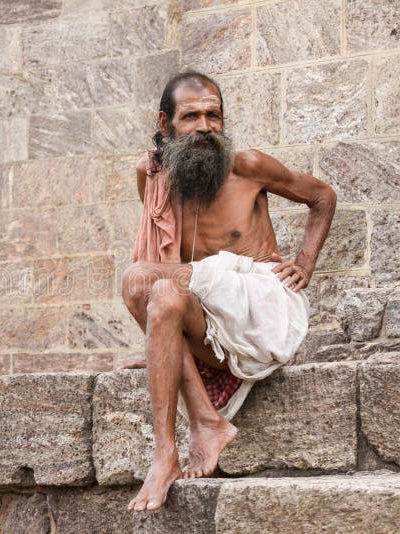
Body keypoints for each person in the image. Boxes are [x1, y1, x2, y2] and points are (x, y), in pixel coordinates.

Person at [121, 71, 337, 512]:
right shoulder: (153, 176)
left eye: (213, 115)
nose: (205, 127)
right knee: (160, 295)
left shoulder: (248, 166)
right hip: (207, 314)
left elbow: (323, 197)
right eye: (191, 117)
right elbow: (165, 258)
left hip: (260, 309)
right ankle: (179, 444)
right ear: (165, 124)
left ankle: (200, 418)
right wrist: (160, 336)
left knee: (138, 278)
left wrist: (305, 262)